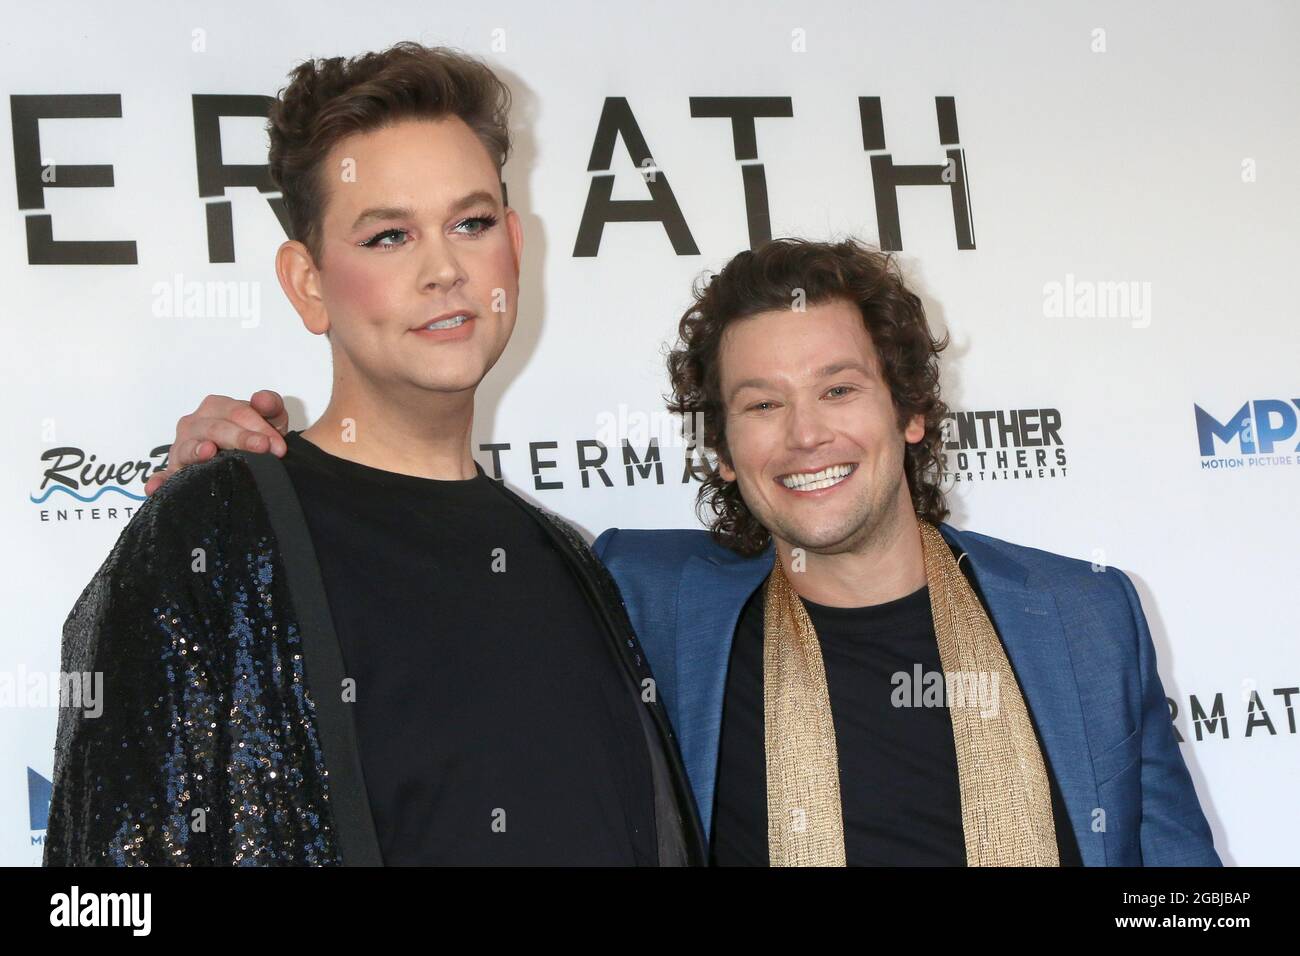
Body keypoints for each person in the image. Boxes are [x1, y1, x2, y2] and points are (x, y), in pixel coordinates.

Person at [164, 239, 1223, 867]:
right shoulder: (638, 597)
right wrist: (248, 486)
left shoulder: (1083, 615)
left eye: (838, 389)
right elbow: (413, 562)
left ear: (909, 410)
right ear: (724, 451)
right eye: (761, 404)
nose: (805, 434)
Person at [43, 41, 704, 867]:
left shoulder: (569, 561)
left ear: (516, 247)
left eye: (471, 223)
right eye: (390, 236)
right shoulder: (219, 531)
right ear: (308, 283)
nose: (445, 271)